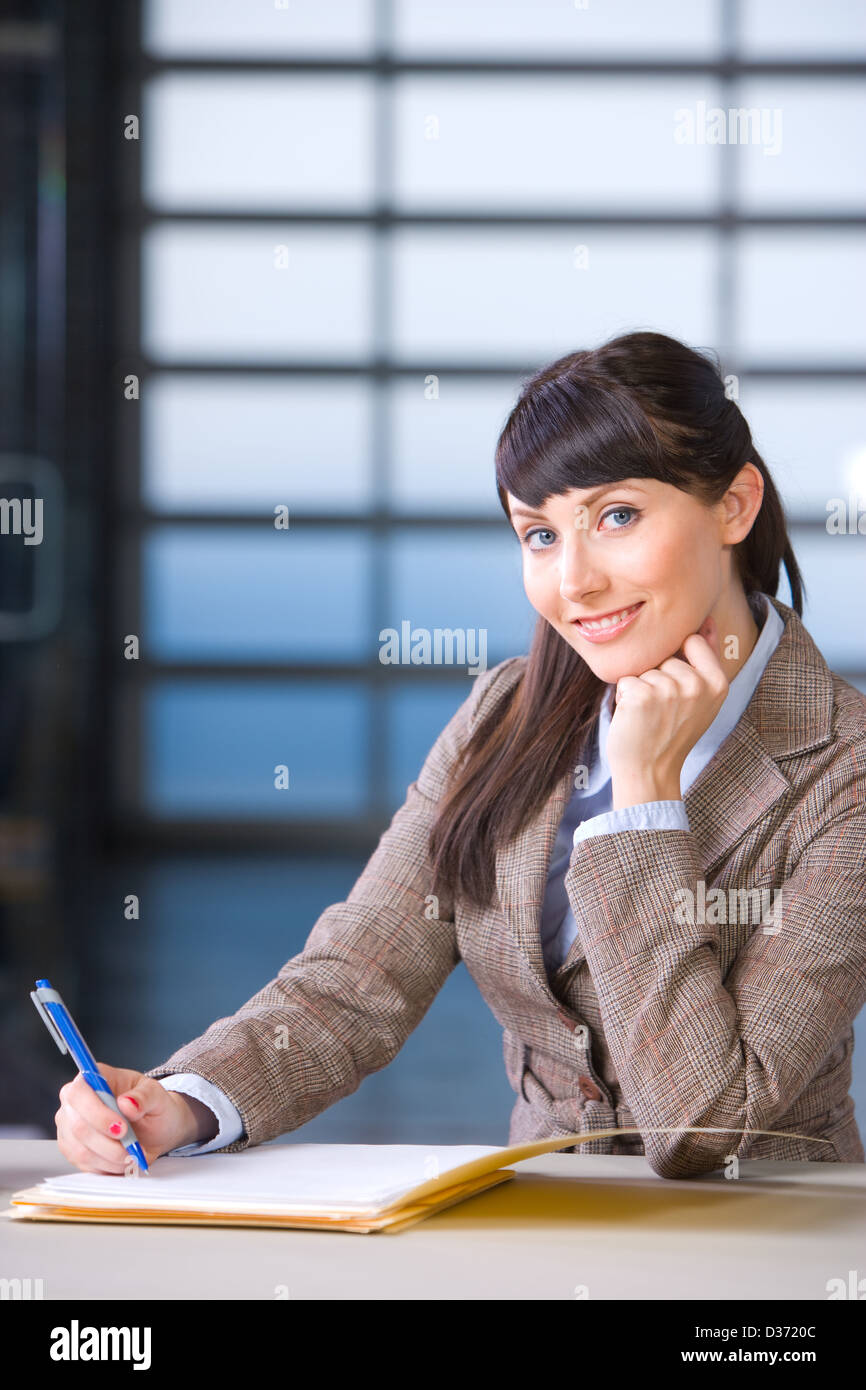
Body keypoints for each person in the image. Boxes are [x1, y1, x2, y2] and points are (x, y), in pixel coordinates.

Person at [55, 330, 866, 1179]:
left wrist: (645, 800)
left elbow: (705, 1125)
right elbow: (357, 979)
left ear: (734, 505)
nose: (575, 581)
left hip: (765, 1229)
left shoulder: (843, 768)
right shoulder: (505, 714)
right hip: (546, 1217)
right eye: (539, 535)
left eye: (617, 516)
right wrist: (183, 1104)